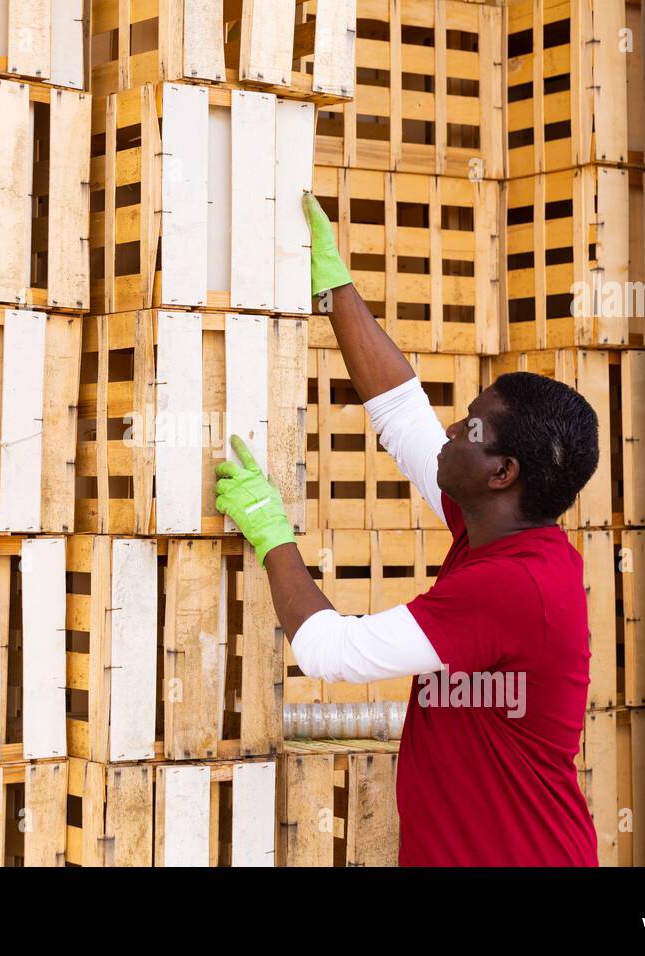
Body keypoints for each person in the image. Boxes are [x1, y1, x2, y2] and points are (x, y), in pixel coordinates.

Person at [214, 191, 601, 866]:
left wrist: (271, 531)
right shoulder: (499, 528)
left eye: (471, 428)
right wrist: (334, 287)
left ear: (501, 472)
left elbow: (333, 653)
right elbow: (402, 414)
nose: (452, 430)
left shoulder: (514, 588)